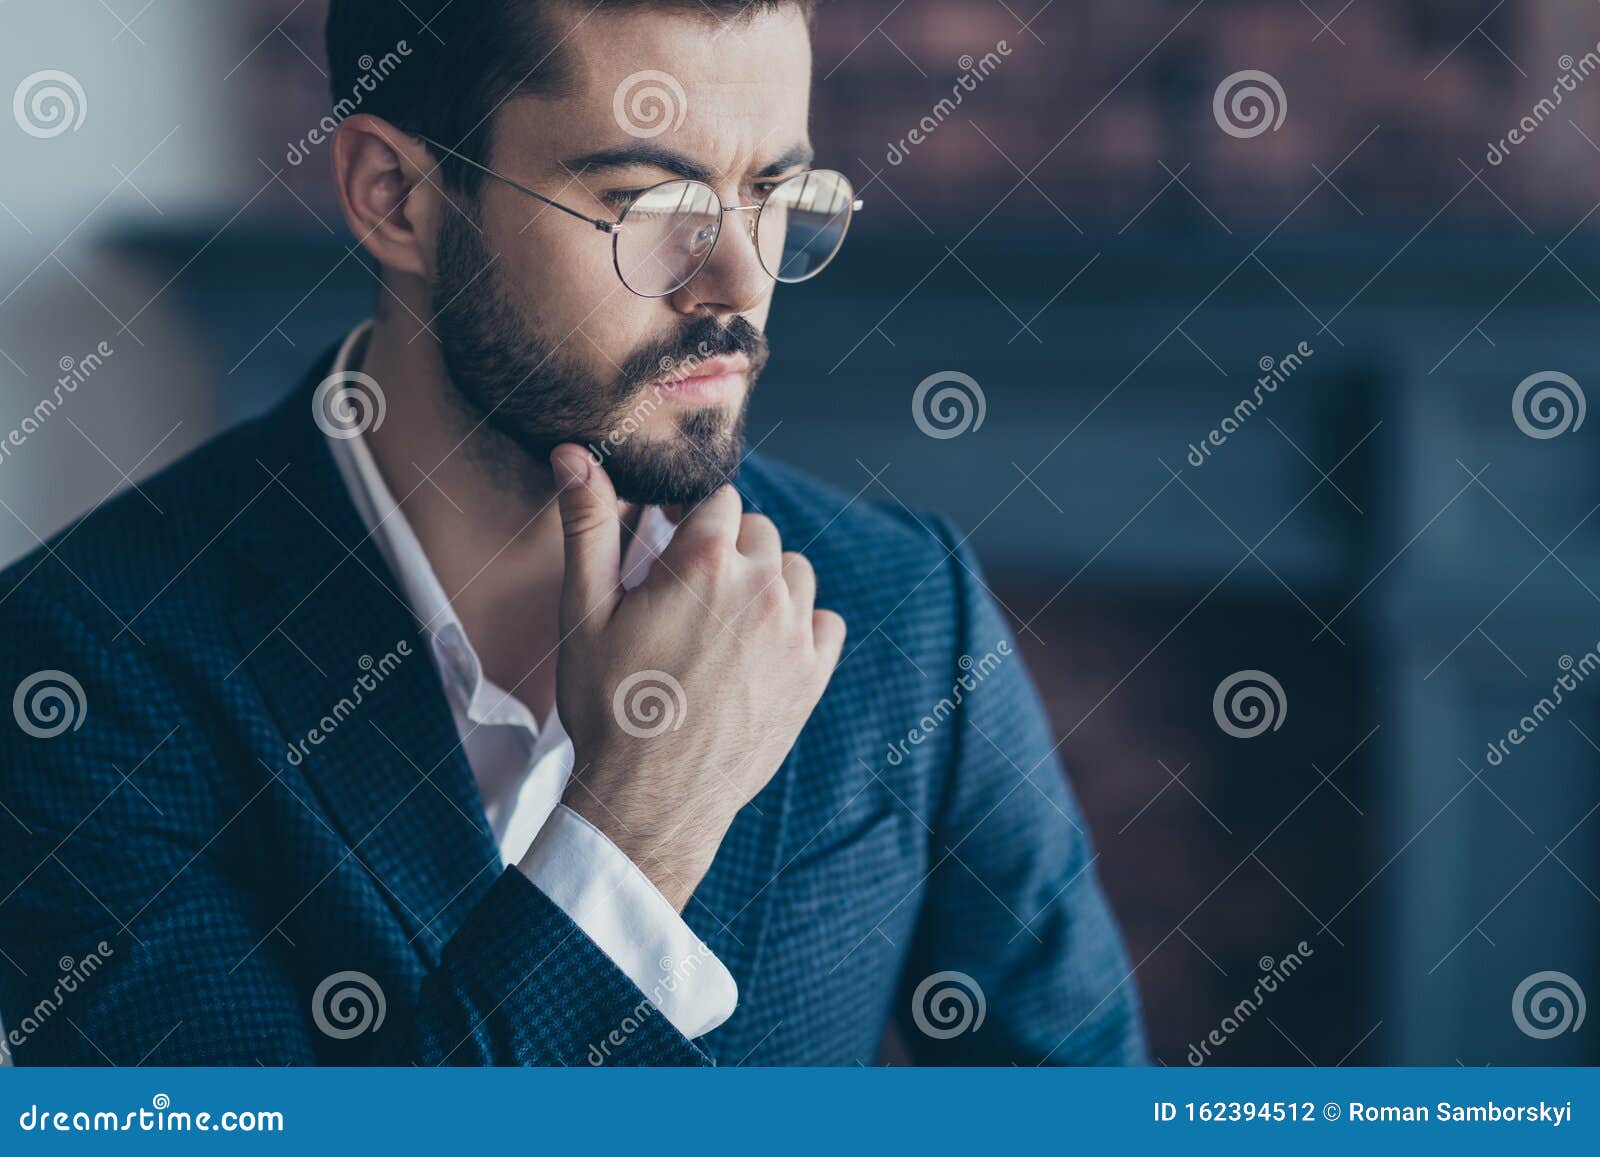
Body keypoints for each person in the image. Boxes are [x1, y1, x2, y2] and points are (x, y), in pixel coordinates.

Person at [0, 0, 1144, 1066]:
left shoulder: (903, 604)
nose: (739, 280)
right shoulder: (78, 664)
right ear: (394, 196)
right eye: (649, 205)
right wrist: (638, 827)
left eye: (776, 197)